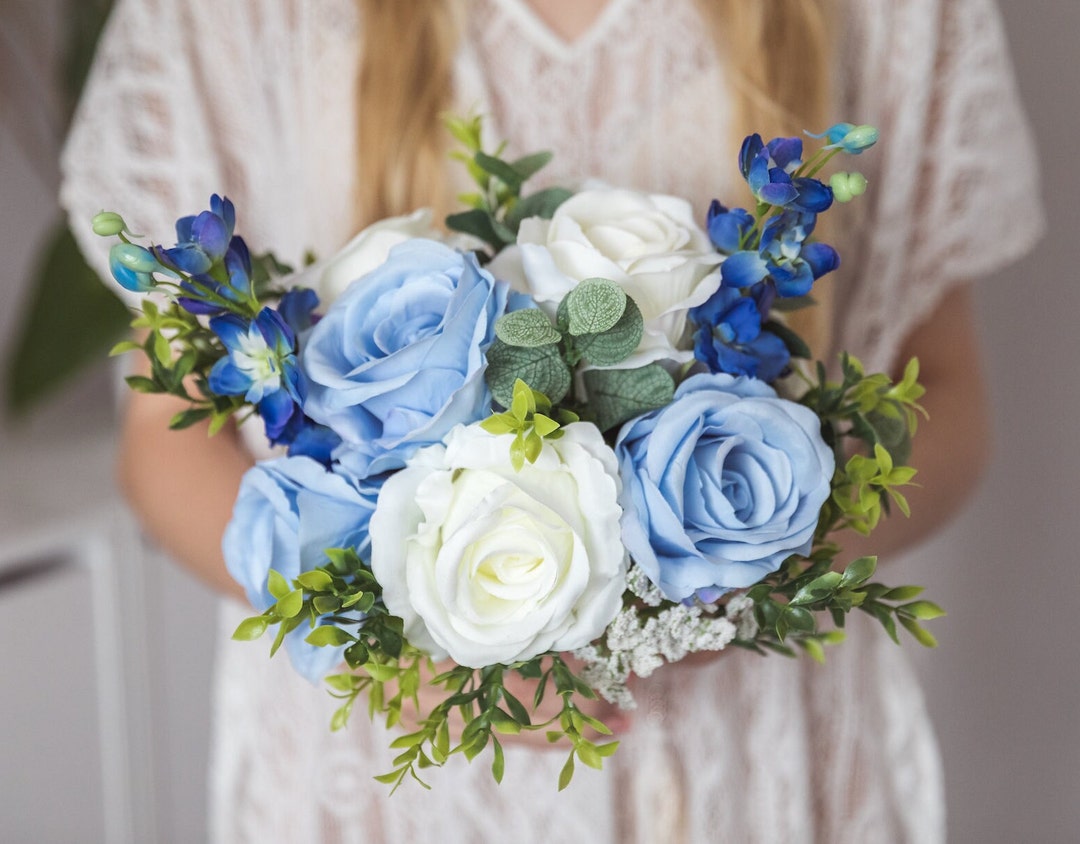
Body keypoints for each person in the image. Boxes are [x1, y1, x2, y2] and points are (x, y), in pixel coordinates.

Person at [61, 0, 1043, 841]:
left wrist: (723, 570)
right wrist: (418, 665)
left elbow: (947, 398)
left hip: (749, 752)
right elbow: (164, 445)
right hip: (381, 769)